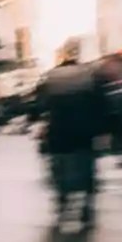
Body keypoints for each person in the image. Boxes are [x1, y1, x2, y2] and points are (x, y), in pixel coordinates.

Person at [31, 38, 111, 227]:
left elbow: (38, 105)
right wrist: (104, 130)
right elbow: (102, 104)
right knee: (87, 168)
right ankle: (87, 208)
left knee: (59, 168)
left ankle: (62, 203)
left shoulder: (50, 77)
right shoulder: (90, 74)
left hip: (58, 131)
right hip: (84, 131)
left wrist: (37, 121)